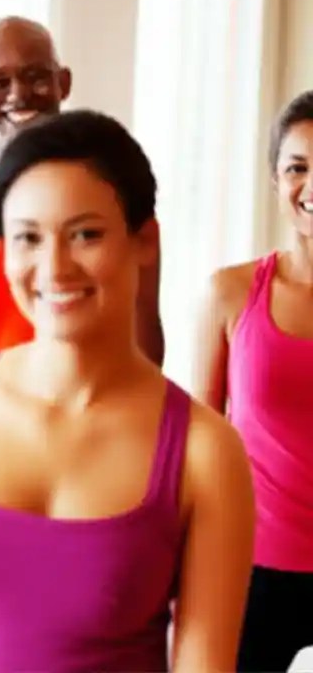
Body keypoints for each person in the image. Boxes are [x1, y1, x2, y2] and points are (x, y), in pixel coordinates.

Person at [0, 110, 254, 672]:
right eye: (28, 238)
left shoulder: (205, 452)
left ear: (143, 240)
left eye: (85, 234)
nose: (54, 267)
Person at [0, 15, 164, 364]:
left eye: (36, 77)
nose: (18, 94)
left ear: (64, 82)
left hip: (87, 412)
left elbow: (143, 335)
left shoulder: (114, 191)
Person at [192, 89, 313, 672]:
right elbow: (200, 442)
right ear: (275, 179)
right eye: (298, 167)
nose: (311, 184)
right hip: (251, 568)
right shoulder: (231, 292)